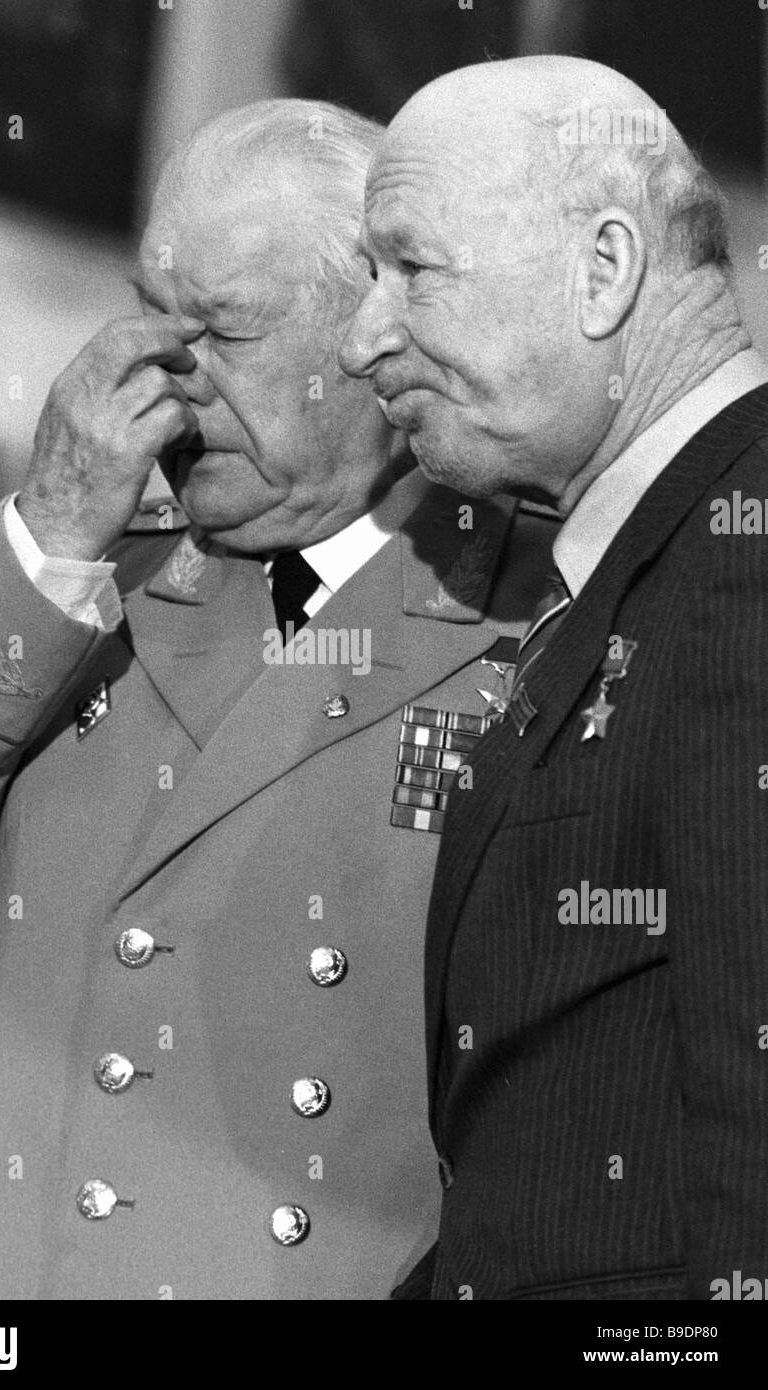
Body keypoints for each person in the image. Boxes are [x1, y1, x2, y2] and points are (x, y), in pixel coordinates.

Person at [0, 98, 555, 1299]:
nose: (155, 376)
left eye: (219, 331)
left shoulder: (533, 614)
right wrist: (43, 539)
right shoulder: (85, 560)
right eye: (148, 311)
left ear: (377, 335)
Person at [341, 55, 768, 1300]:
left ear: (603, 271)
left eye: (410, 269)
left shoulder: (744, 569)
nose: (365, 337)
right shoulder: (668, 552)